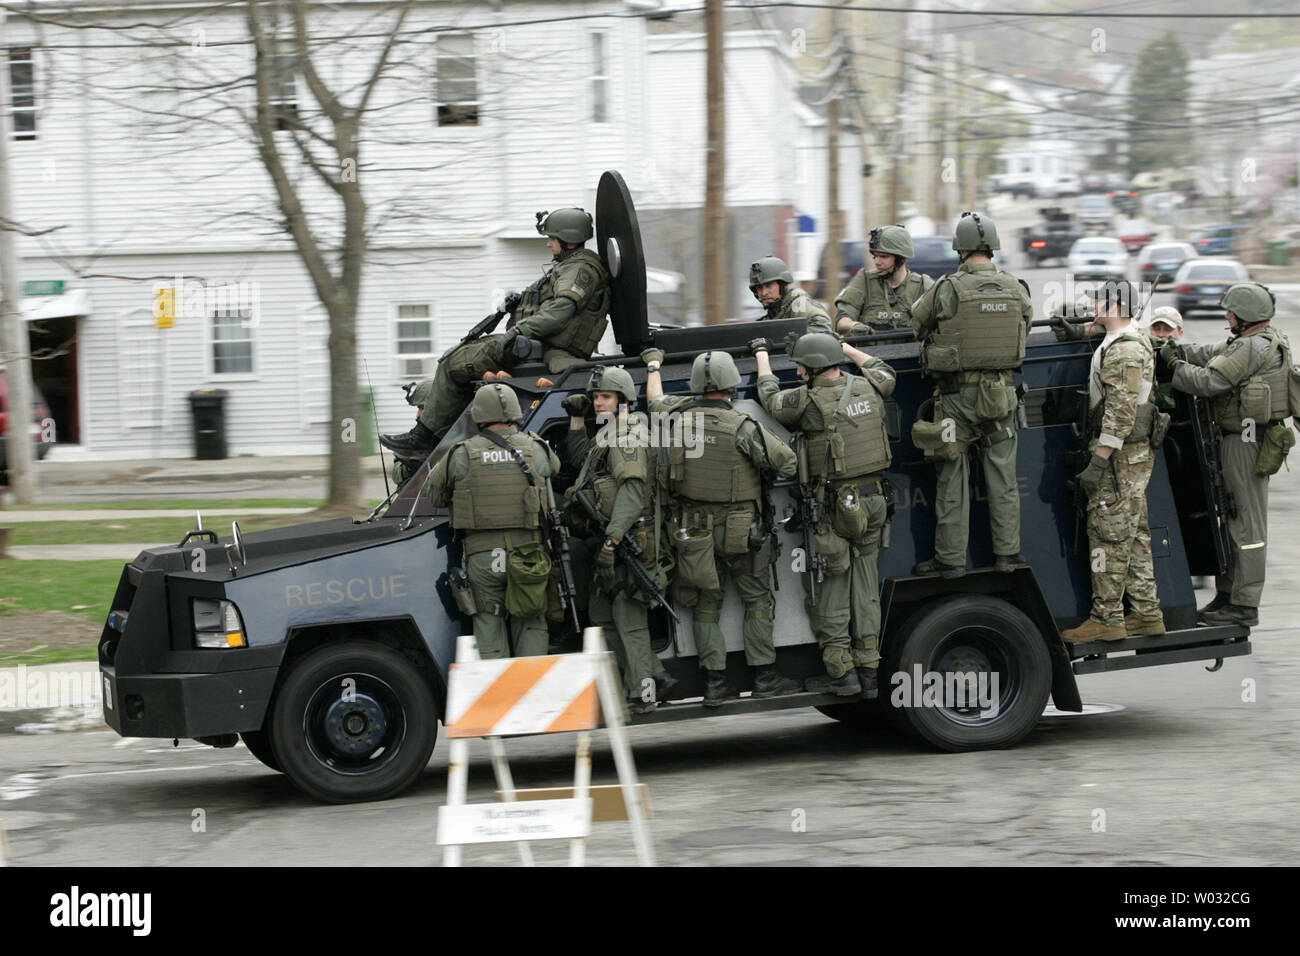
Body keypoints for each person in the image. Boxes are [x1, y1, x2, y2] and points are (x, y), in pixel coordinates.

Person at [381, 208, 611, 458]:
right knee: (464, 360)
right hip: (535, 343)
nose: (548, 243)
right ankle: (440, 438)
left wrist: (520, 329)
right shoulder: (570, 266)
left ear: (569, 238)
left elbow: (561, 310)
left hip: (543, 348)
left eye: (552, 238)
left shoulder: (581, 269)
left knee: (452, 364)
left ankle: (424, 439)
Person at [642, 346, 800, 705]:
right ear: (732, 386)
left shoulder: (676, 416)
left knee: (705, 606)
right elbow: (787, 464)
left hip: (693, 532)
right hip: (741, 531)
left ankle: (714, 683)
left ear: (696, 384)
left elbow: (654, 402)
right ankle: (764, 677)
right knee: (757, 600)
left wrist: (653, 364)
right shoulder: (743, 426)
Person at [753, 332, 895, 697]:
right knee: (866, 587)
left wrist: (762, 354)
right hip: (875, 501)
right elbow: (884, 371)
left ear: (813, 366)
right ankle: (869, 672)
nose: (798, 370)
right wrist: (847, 348)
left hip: (834, 505)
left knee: (831, 584)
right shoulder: (869, 387)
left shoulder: (808, 400)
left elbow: (769, 398)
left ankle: (841, 672)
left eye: (801, 364)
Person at [909, 211, 1032, 577]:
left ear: (960, 249)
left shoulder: (948, 288)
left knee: (951, 479)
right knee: (1003, 479)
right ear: (992, 247)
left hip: (956, 398)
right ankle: (1008, 556)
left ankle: (950, 562)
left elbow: (917, 322)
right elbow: (1024, 323)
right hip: (1002, 396)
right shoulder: (1016, 287)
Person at [1163, 282, 1289, 628]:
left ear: (1245, 315)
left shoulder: (1252, 348)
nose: (1227, 316)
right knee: (1232, 519)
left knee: (1246, 525)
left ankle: (1244, 604)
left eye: (1230, 312)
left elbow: (1207, 383)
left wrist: (1173, 366)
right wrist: (1170, 348)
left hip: (1245, 441)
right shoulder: (1251, 342)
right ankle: (1228, 595)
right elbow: (1207, 353)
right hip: (1240, 440)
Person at [563, 366, 677, 714]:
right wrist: (577, 421)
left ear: (624, 401)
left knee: (629, 621)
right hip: (610, 542)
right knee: (602, 614)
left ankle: (644, 692)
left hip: (628, 542)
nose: (598, 402)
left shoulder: (626, 436)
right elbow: (583, 462)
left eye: (605, 397)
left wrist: (612, 543)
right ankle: (651, 673)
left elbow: (632, 492)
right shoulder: (607, 436)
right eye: (596, 396)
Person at [422, 383, 561, 659]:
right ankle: (533, 691)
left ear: (478, 415)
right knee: (531, 619)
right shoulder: (536, 448)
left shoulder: (462, 453)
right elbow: (555, 470)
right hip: (529, 554)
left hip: (483, 558)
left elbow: (433, 495)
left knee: (488, 622)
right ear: (514, 412)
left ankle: (499, 693)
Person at [1062, 280, 1163, 643]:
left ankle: (1107, 617)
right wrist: (1081, 327)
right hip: (1129, 456)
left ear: (1116, 306)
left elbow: (1120, 413)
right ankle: (1146, 612)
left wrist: (1099, 461)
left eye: (1099, 302)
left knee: (1108, 533)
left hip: (1119, 458)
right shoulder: (1123, 340)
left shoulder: (1125, 352)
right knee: (1135, 534)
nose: (1093, 306)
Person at [831, 225, 935, 334]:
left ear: (901, 258)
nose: (877, 262)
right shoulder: (864, 282)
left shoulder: (923, 286)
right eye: (875, 256)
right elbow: (842, 322)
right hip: (868, 351)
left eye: (884, 257)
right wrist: (855, 326)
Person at [748, 256, 832, 330]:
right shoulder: (772, 316)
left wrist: (786, 338)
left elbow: (823, 326)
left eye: (768, 286)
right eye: (759, 288)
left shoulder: (798, 305)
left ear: (782, 285)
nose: (764, 293)